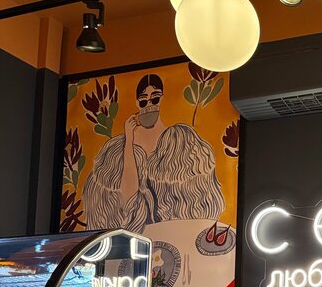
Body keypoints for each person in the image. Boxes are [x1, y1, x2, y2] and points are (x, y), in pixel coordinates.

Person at [82, 73, 225, 232]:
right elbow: (127, 198)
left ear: (161, 99)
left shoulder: (179, 141)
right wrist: (129, 139)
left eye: (155, 98)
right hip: (135, 234)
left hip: (170, 231)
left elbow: (197, 198)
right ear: (138, 103)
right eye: (144, 100)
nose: (149, 104)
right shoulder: (118, 149)